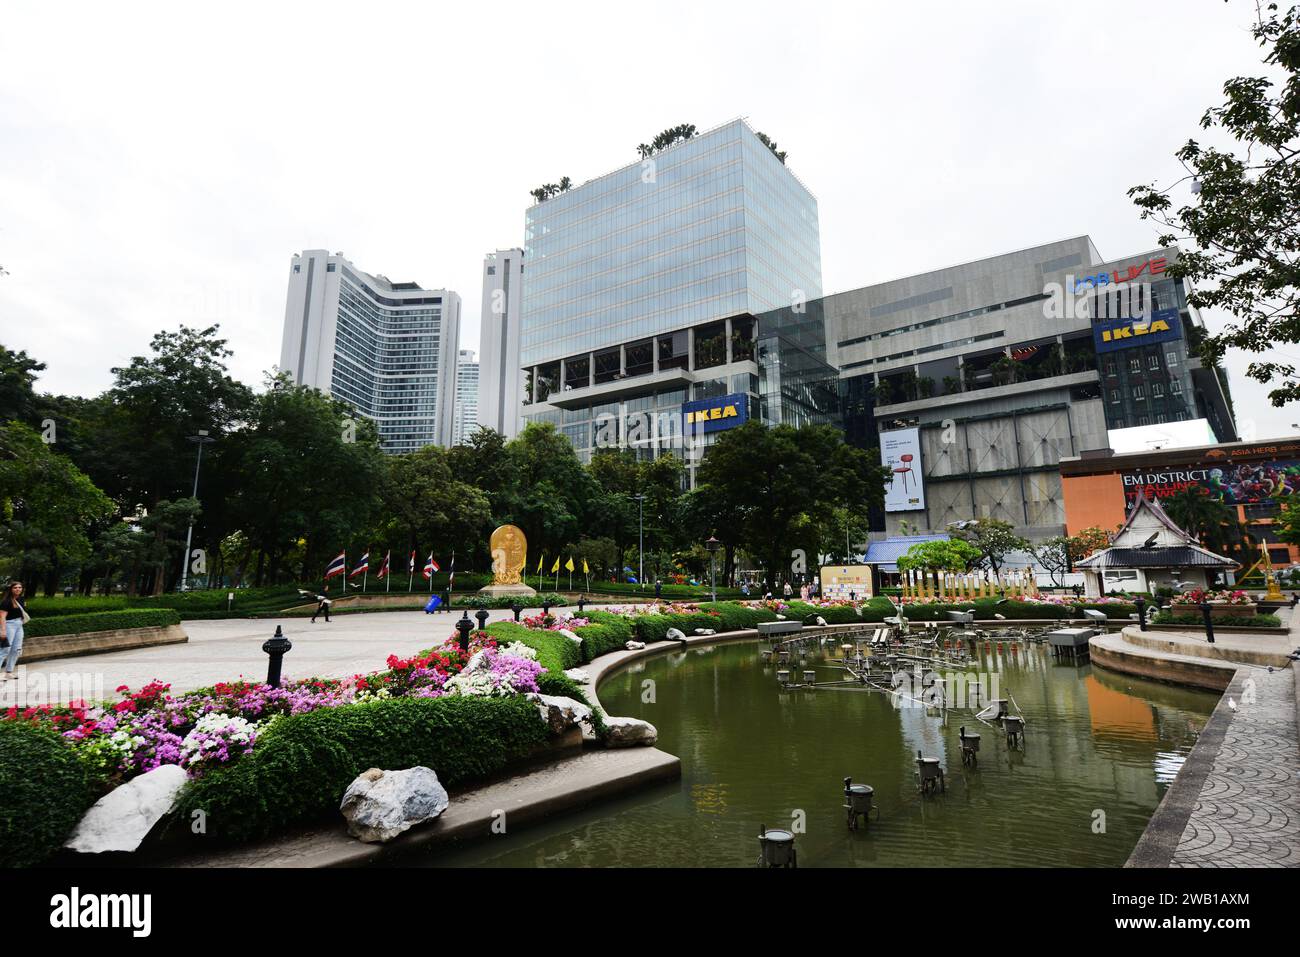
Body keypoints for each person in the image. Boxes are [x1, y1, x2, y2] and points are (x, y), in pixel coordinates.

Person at [0, 580, 29, 680]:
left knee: (16, 649)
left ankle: (9, 672)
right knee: (5, 650)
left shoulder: (21, 599)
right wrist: (3, 631)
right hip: (9, 625)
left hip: (18, 625)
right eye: (15, 587)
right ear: (11, 589)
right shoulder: (6, 601)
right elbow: (2, 617)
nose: (18, 589)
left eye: (19, 587)